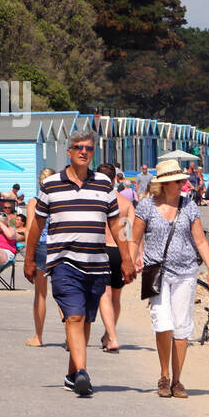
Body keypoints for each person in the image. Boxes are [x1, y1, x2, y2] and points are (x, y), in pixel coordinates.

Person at [22, 131, 135, 397]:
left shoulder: (104, 184)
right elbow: (36, 225)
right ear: (69, 152)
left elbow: (117, 224)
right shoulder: (50, 185)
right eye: (79, 148)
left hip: (96, 263)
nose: (84, 152)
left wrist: (128, 257)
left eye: (89, 148)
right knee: (74, 315)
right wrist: (29, 259)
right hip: (63, 262)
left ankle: (73, 373)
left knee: (85, 321)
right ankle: (83, 373)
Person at [131, 159, 209, 399]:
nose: (183, 184)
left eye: (183, 180)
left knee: (182, 326)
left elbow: (200, 240)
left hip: (186, 272)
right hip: (156, 272)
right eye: (179, 181)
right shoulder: (146, 206)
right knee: (163, 323)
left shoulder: (189, 206)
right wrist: (132, 259)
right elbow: (134, 237)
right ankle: (164, 374)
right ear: (166, 183)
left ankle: (177, 380)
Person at [96, 162, 133, 352]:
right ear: (113, 179)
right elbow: (129, 233)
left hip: (101, 250)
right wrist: (133, 258)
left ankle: (112, 337)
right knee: (116, 297)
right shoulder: (126, 203)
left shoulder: (94, 201)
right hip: (119, 251)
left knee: (104, 294)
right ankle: (108, 334)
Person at [24, 168, 56, 347]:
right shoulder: (60, 200)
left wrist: (29, 255)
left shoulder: (34, 202)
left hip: (41, 246)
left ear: (39, 182)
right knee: (62, 293)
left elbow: (30, 228)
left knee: (40, 294)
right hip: (58, 246)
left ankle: (38, 336)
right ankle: (70, 335)